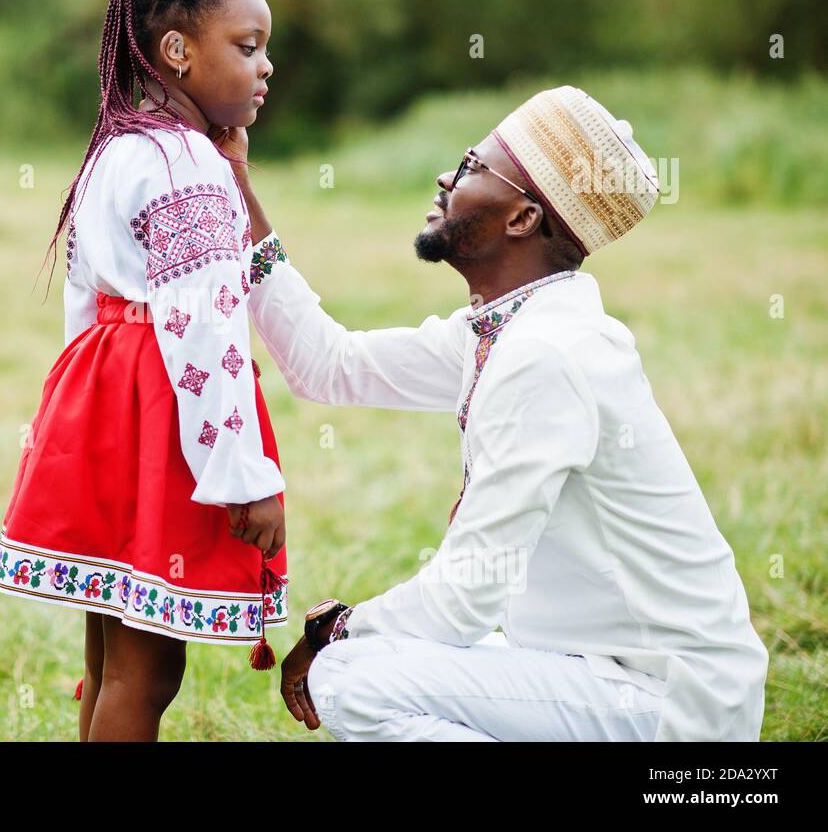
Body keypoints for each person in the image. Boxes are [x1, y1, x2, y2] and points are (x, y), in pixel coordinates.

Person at [234, 85, 769, 741]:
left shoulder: (547, 353)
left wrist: (337, 628)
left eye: (468, 168)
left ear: (521, 218)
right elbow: (328, 364)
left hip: (667, 702)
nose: (443, 178)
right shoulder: (504, 331)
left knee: (351, 675)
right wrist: (238, 190)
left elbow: (463, 599)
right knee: (364, 660)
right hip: (593, 671)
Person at [0, 0, 288, 742]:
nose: (265, 68)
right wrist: (244, 472)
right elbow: (204, 332)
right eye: (248, 47)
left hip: (102, 400)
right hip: (167, 418)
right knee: (147, 670)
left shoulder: (119, 147)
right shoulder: (188, 165)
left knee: (110, 658)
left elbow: (85, 303)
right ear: (178, 52)